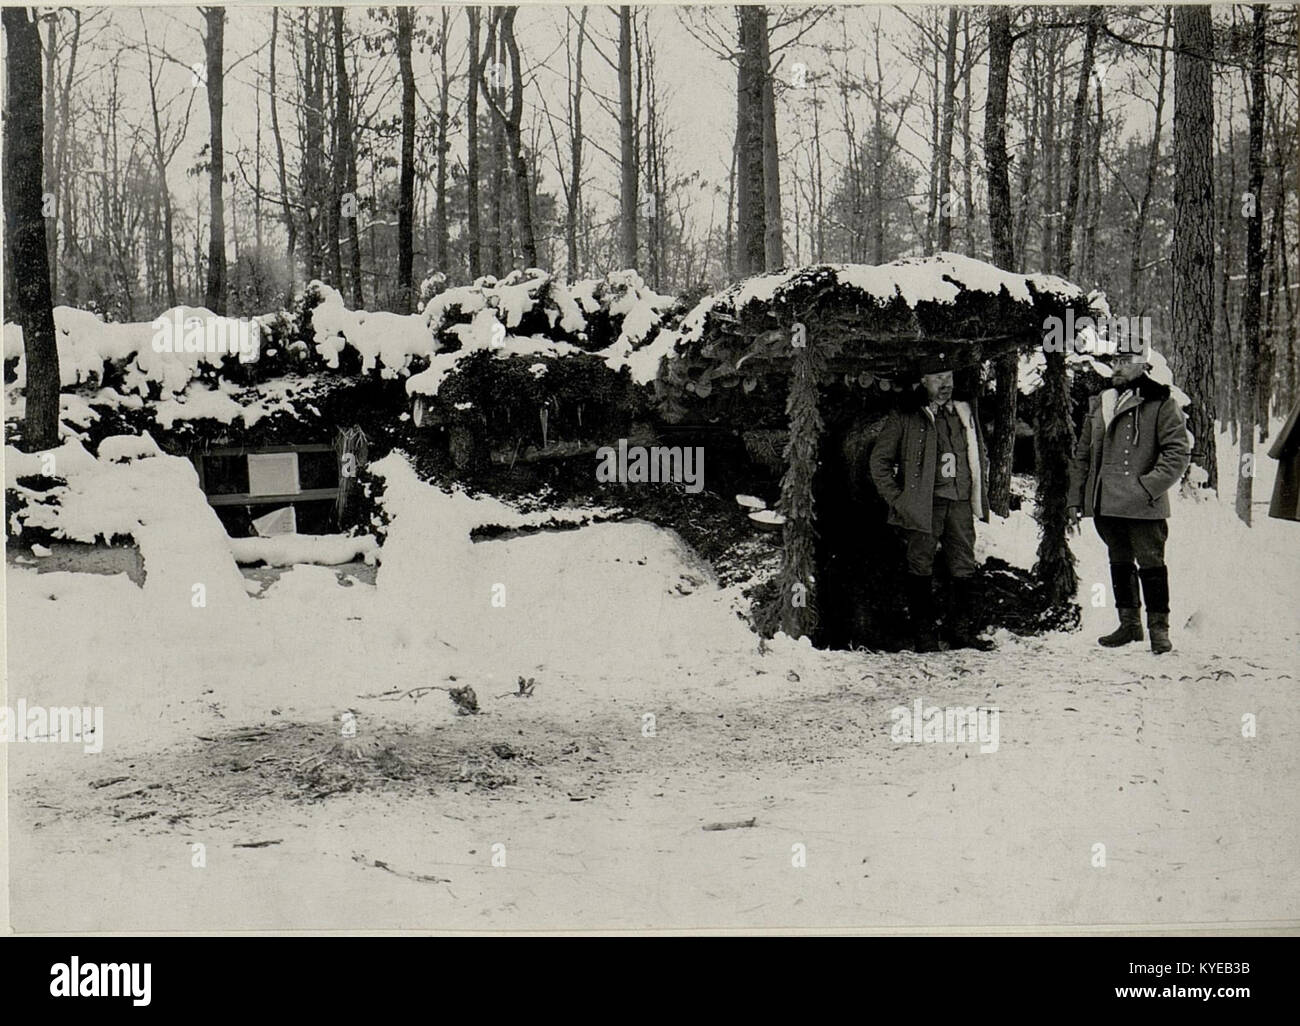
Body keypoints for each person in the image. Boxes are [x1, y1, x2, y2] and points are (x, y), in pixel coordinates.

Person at [1067, 344, 1190, 654]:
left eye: (1126, 361)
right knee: (1119, 562)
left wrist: (1146, 487)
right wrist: (1076, 499)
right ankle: (1129, 625)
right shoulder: (1102, 403)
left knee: (1152, 566)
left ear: (1143, 364)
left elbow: (1177, 453)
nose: (1118, 367)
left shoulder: (1161, 402)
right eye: (1115, 361)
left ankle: (1158, 630)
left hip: (1144, 505)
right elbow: (1083, 454)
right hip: (1106, 502)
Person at [869, 355, 993, 652]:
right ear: (922, 381)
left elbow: (978, 453)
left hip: (960, 502)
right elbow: (879, 462)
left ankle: (960, 631)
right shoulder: (907, 416)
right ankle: (924, 635)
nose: (945, 384)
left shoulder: (964, 413)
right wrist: (899, 500)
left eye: (948, 376)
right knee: (920, 565)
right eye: (937, 378)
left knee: (963, 564)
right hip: (926, 505)